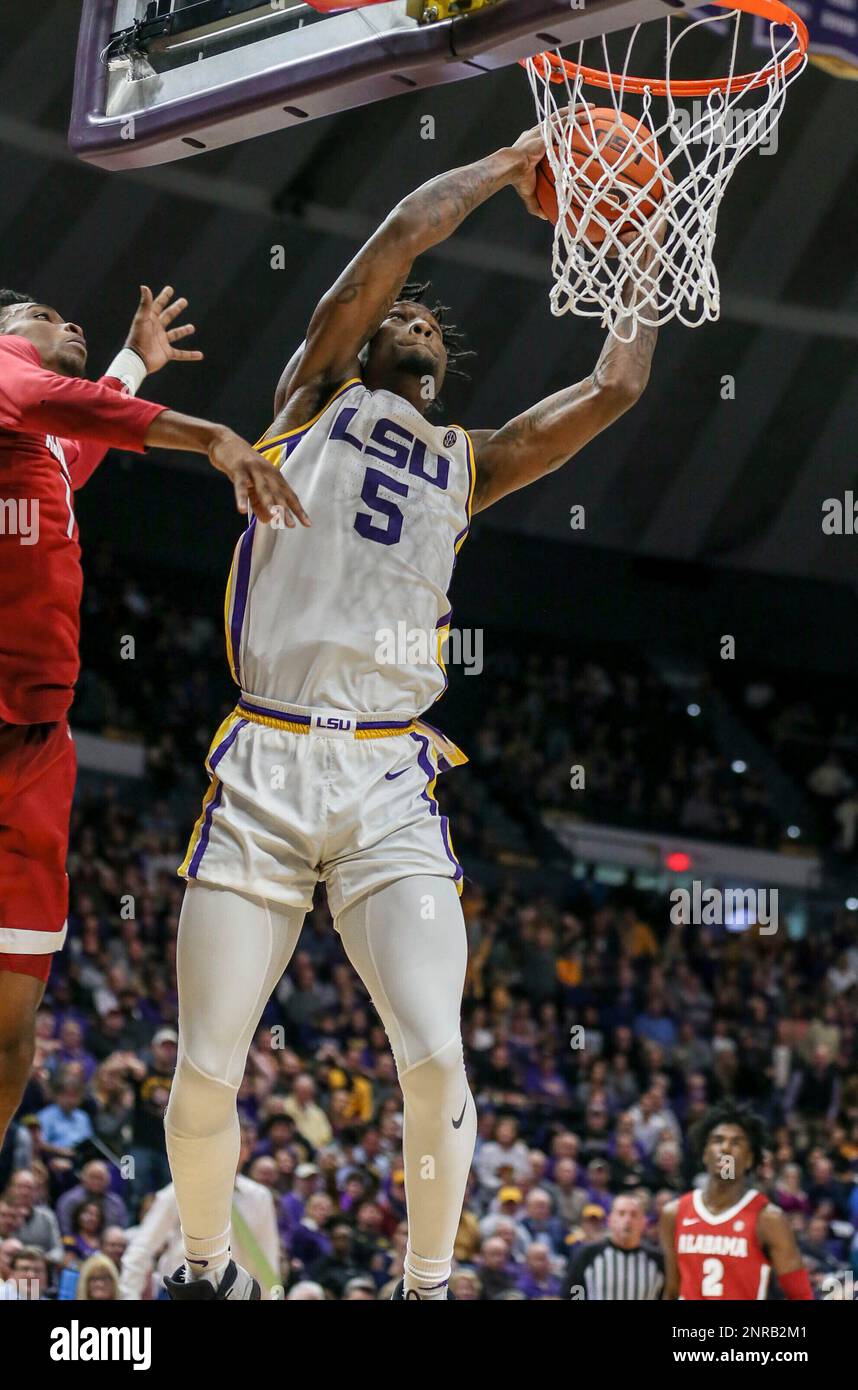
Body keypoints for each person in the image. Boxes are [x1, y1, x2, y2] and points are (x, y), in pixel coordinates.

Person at [163, 121, 659, 1302]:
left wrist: (644, 241)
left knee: (437, 1058)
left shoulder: (473, 461)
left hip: (388, 779)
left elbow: (618, 383)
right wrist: (510, 160)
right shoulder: (311, 395)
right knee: (204, 1069)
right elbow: (394, 239)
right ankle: (206, 1271)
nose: (417, 321)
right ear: (363, 343)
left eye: (433, 323)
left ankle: (425, 1285)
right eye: (404, 319)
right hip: (267, 764)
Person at [0, 285, 309, 1153]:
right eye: (42, 315)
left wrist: (133, 361)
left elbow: (77, 440)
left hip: (37, 748)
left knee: (12, 1036)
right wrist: (212, 436)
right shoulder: (4, 373)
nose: (67, 322)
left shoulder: (39, 448)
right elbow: (52, 402)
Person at [659, 1103, 812, 1301]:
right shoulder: (674, 1213)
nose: (725, 1148)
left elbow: (800, 1294)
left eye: (736, 1143)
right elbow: (672, 1291)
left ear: (749, 1159)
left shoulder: (768, 1218)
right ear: (705, 1154)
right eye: (717, 1140)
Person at [565, 1194, 664, 1300]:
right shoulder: (587, 1255)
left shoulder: (658, 1260)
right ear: (610, 1220)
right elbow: (571, 1294)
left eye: (634, 1215)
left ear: (644, 1222)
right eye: (621, 1214)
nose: (627, 1220)